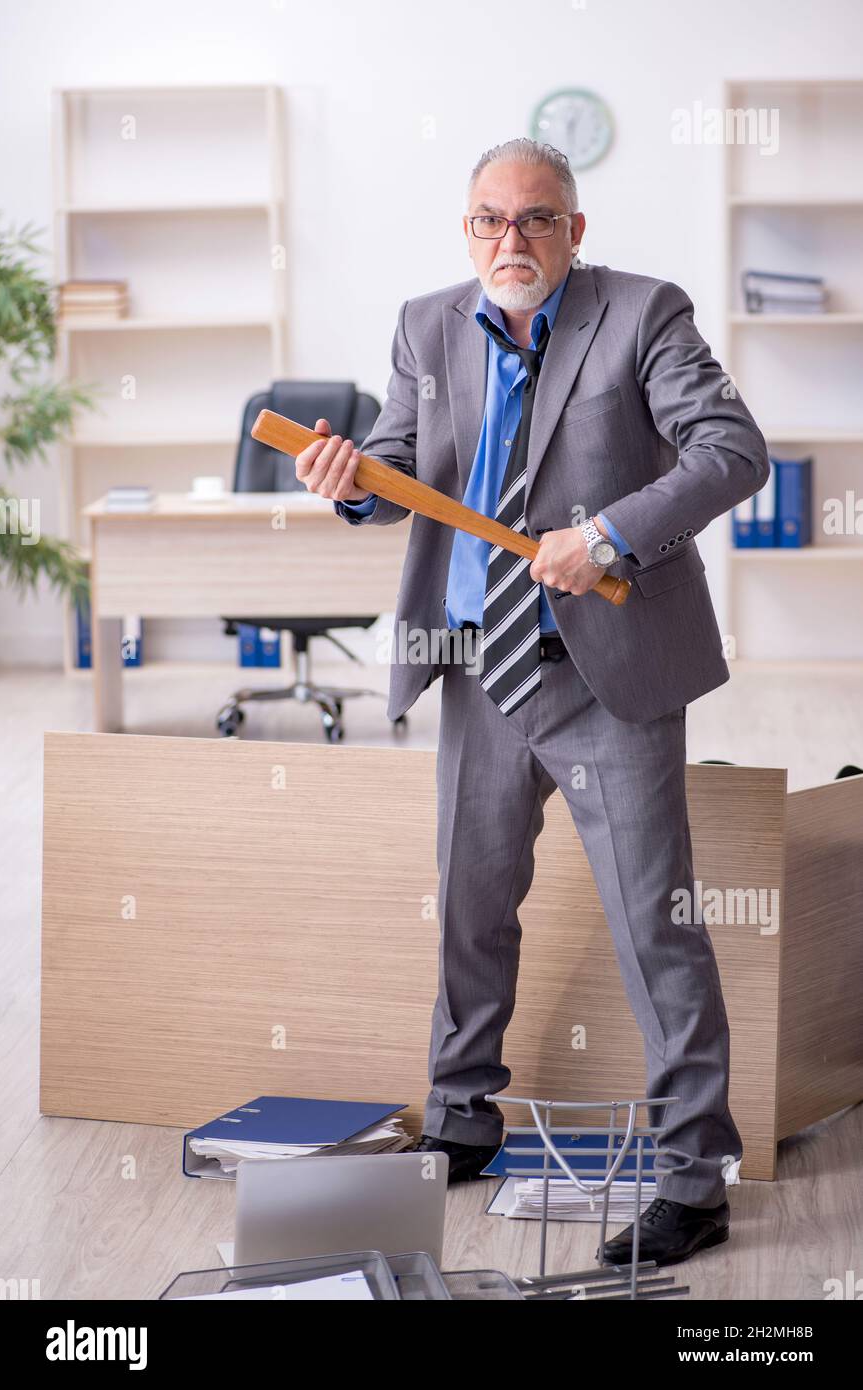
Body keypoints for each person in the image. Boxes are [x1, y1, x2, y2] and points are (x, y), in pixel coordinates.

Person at [294, 137, 769, 1268]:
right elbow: (404, 465)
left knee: (657, 923)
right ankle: (462, 1116)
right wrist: (349, 480)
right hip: (478, 663)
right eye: (489, 222)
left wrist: (606, 532)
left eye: (537, 220)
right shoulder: (424, 324)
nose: (512, 241)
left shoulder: (644, 313)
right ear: (467, 230)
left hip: (607, 671)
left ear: (575, 229)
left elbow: (732, 450)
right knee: (469, 905)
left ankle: (696, 1175)